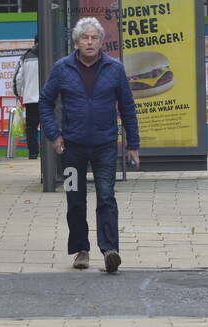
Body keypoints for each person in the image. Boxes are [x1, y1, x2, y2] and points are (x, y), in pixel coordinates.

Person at [38, 17, 140, 273]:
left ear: (102, 42)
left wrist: (133, 144)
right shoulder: (62, 68)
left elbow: (127, 107)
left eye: (94, 38)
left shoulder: (115, 69)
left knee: (106, 196)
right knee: (75, 199)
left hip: (105, 145)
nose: (90, 42)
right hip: (71, 148)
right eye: (85, 38)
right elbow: (44, 102)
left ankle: (109, 250)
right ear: (76, 42)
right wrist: (54, 135)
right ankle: (81, 250)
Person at [12, 37, 41, 160]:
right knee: (50, 126)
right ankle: (51, 154)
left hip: (31, 99)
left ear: (34, 42)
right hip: (49, 98)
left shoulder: (25, 57)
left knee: (31, 127)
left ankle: (33, 153)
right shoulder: (53, 54)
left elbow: (18, 79)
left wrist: (18, 94)